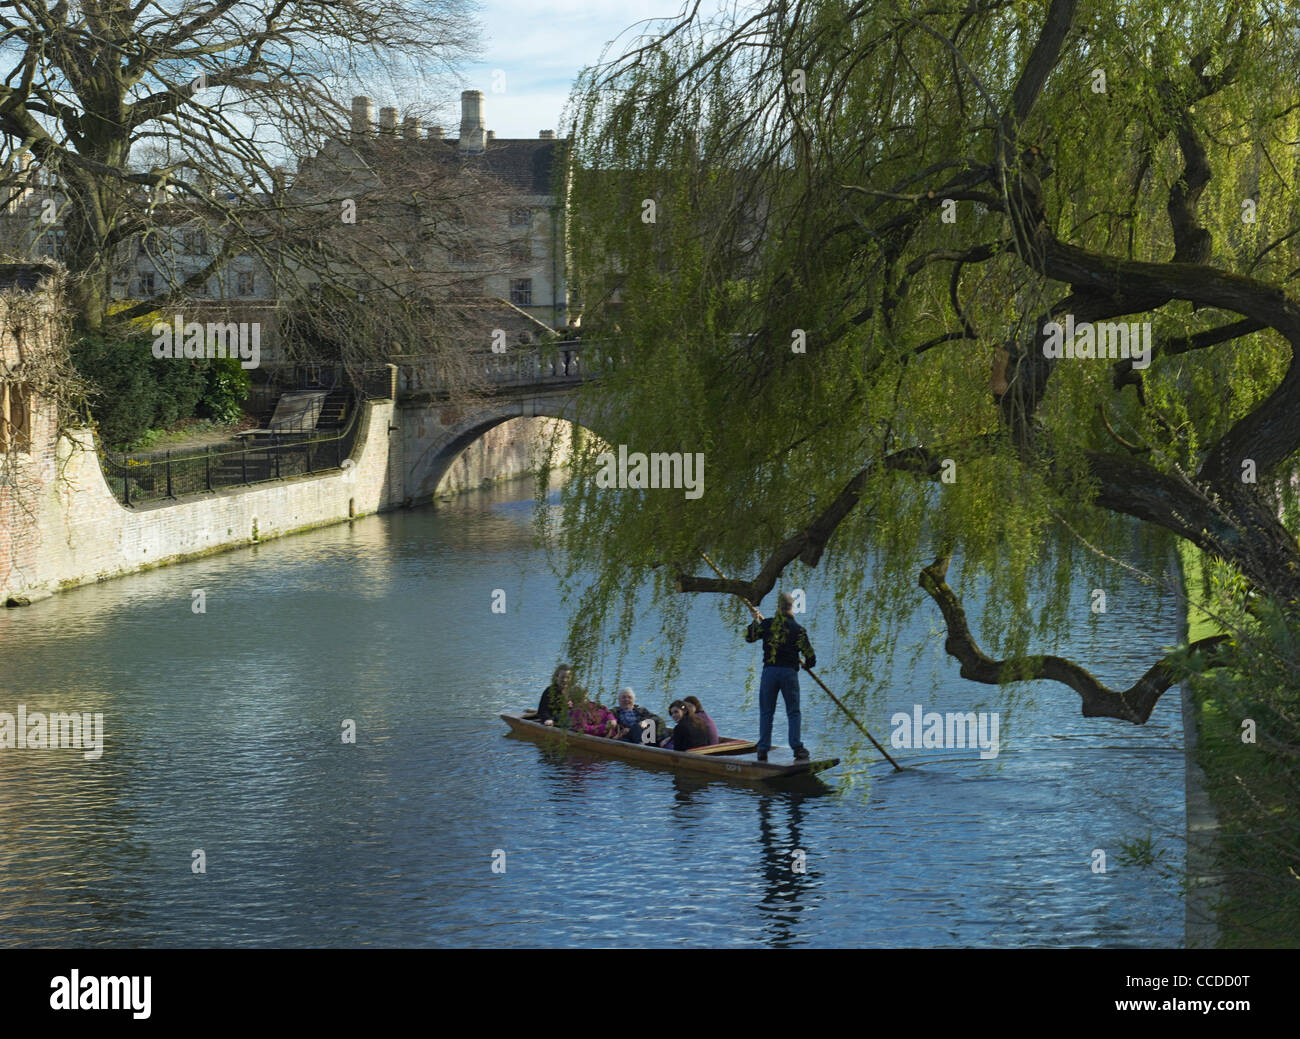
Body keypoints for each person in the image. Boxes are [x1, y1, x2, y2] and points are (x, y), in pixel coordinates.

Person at [745, 591, 815, 762]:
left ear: (778, 606)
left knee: (766, 712)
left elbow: (749, 637)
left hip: (770, 672)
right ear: (792, 607)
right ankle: (797, 748)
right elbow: (811, 658)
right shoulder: (799, 630)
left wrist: (755, 621)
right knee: (793, 712)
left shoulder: (768, 624)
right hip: (789, 673)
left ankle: (762, 750)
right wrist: (806, 665)